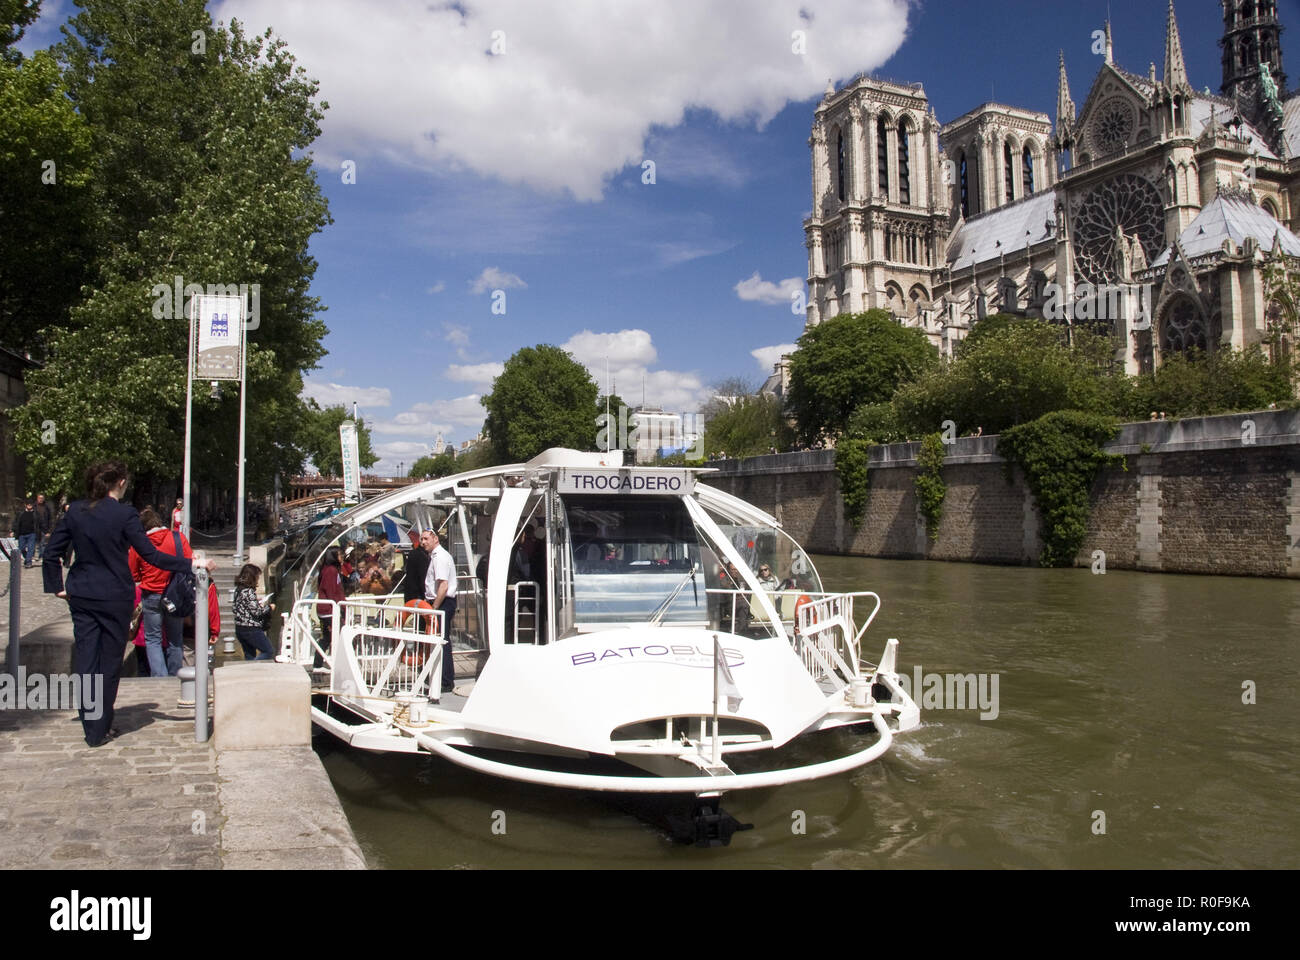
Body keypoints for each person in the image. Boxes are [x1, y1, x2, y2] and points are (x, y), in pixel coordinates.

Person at [43, 461, 212, 748]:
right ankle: (99, 728)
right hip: (114, 595)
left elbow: (51, 554)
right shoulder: (124, 514)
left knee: (86, 659)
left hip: (82, 593)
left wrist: (57, 587)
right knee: (109, 662)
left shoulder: (75, 512)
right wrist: (191, 563)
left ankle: (90, 722)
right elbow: (151, 556)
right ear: (120, 482)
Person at [129, 508, 192, 677]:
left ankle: (159, 677)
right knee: (175, 639)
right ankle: (174, 675)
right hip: (174, 595)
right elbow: (189, 562)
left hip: (151, 594)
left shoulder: (140, 544)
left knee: (153, 639)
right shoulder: (177, 538)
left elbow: (133, 573)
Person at [420, 529, 458, 693]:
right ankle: (443, 678)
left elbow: (443, 585)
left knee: (442, 641)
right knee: (441, 641)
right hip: (441, 602)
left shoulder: (440, 557)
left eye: (426, 538)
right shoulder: (436, 556)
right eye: (421, 539)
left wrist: (434, 607)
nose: (423, 542)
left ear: (435, 539)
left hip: (442, 603)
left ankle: (445, 681)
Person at [233, 563, 275, 661]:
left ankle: (250, 672)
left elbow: (238, 607)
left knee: (249, 655)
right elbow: (257, 612)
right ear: (252, 577)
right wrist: (269, 607)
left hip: (239, 628)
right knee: (268, 651)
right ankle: (255, 665)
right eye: (257, 577)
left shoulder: (238, 590)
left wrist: (256, 602)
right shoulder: (248, 592)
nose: (258, 579)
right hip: (251, 629)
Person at [316, 547, 345, 668]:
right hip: (329, 610)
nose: (341, 557)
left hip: (329, 609)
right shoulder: (331, 571)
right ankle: (318, 664)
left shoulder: (330, 570)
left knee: (329, 637)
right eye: (339, 555)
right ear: (333, 556)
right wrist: (340, 606)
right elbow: (331, 591)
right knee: (329, 637)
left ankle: (320, 664)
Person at [13, 500, 36, 567]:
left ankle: (28, 562)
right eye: (28, 504)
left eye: (30, 504)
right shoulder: (21, 513)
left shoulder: (35, 514)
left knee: (30, 548)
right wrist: (13, 530)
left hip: (32, 533)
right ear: (26, 505)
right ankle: (27, 558)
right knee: (21, 548)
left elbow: (39, 523)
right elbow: (16, 522)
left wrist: (46, 531)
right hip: (22, 533)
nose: (29, 505)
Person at [33, 493, 52, 560]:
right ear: (37, 498)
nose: (41, 499)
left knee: (43, 543)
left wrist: (49, 530)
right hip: (35, 527)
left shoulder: (46, 507)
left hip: (44, 527)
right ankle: (32, 555)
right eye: (39, 498)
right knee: (34, 542)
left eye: (42, 498)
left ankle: (42, 556)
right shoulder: (33, 506)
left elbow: (49, 519)